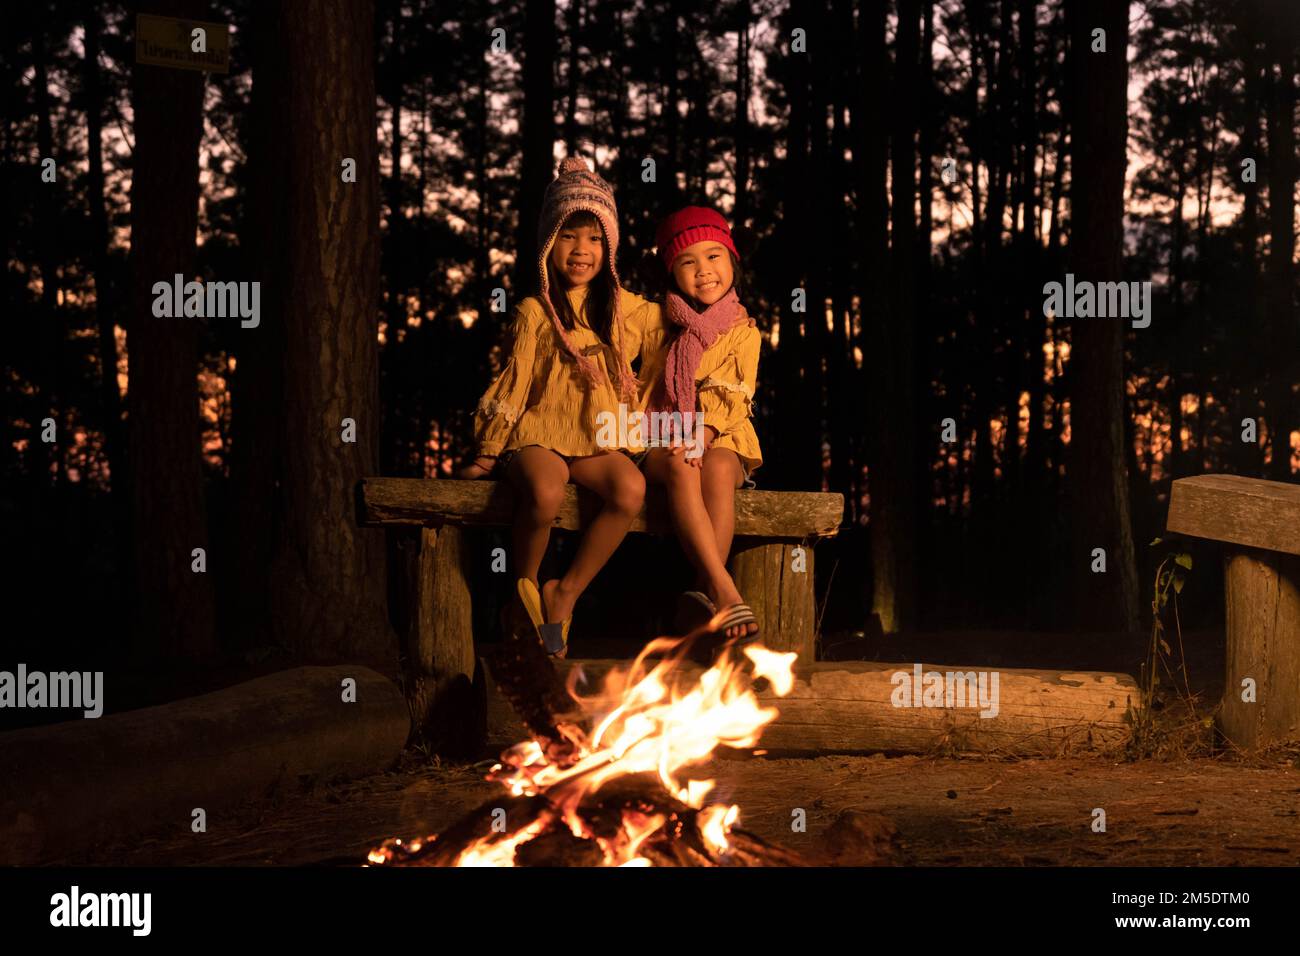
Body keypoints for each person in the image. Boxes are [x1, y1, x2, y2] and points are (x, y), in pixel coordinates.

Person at [458, 157, 666, 658]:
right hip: (538, 436)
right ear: (550, 242)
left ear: (609, 247)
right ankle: (524, 592)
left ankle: (564, 593)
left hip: (596, 437)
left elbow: (670, 326)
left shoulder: (623, 311)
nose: (582, 250)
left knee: (630, 487)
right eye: (570, 236)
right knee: (547, 491)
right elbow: (514, 383)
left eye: (595, 239)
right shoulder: (535, 312)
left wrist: (715, 315)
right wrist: (487, 452)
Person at [640, 206, 763, 646]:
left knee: (719, 467)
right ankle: (723, 589)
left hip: (723, 432)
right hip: (663, 433)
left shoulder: (744, 330)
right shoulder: (655, 322)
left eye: (714, 256)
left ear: (732, 261)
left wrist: (705, 432)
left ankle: (702, 592)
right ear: (671, 272)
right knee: (683, 463)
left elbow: (735, 391)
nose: (704, 270)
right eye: (688, 261)